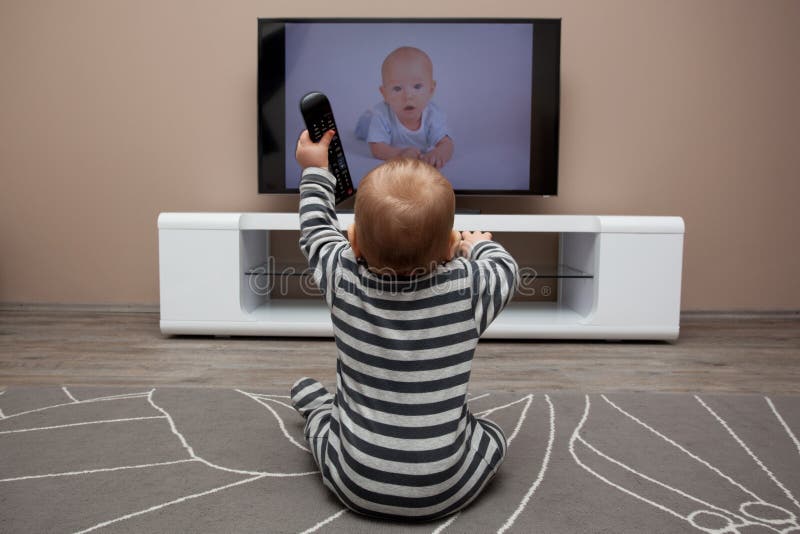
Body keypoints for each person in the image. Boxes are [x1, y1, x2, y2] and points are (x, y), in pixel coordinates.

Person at [290, 129, 518, 521]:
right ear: (449, 246)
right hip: (447, 486)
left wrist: (315, 170)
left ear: (354, 243)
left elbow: (315, 231)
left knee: (327, 432)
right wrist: (476, 244)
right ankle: (330, 413)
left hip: (355, 482)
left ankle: (318, 411)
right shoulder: (470, 287)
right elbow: (506, 269)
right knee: (494, 438)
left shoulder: (341, 278)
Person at [355, 46, 454, 169]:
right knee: (365, 128)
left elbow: (447, 144)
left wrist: (438, 153)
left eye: (417, 87)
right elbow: (376, 147)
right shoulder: (381, 114)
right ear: (384, 94)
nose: (408, 96)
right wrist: (398, 154)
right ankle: (365, 119)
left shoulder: (433, 115)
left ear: (431, 90)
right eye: (397, 88)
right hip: (369, 122)